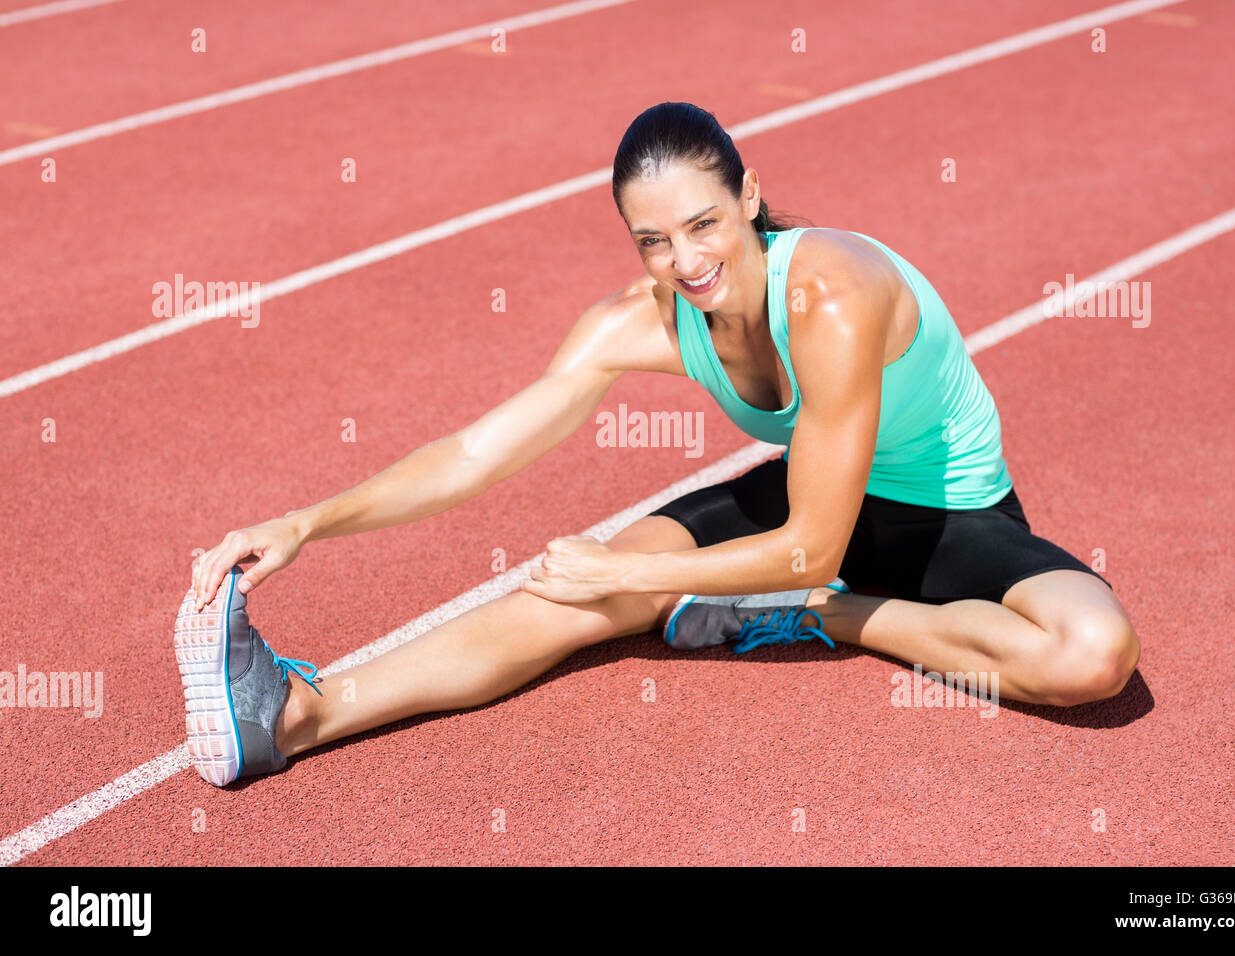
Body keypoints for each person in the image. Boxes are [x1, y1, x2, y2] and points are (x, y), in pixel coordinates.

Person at [177, 101, 1139, 787]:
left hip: (948, 519)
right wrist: (309, 521)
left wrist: (632, 581)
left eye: (703, 224)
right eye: (652, 241)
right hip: (805, 499)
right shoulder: (639, 321)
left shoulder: (833, 294)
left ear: (750, 195)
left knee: (1093, 657)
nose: (686, 263)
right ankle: (301, 715)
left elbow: (811, 547)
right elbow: (478, 454)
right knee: (568, 592)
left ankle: (821, 618)